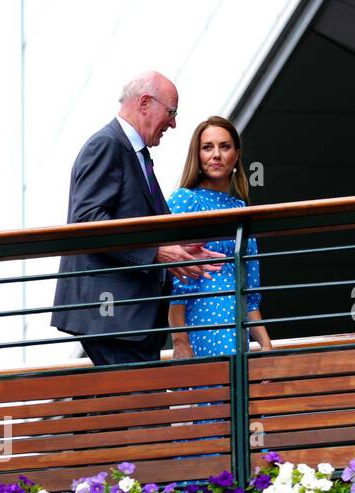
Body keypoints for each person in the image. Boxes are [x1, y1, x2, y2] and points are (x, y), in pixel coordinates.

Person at [50, 71, 222, 368]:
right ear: (145, 103)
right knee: (145, 407)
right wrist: (156, 252)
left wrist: (178, 247)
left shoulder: (134, 152)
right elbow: (87, 221)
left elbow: (134, 222)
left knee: (135, 408)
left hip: (129, 321)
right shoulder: (108, 144)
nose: (173, 123)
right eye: (171, 112)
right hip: (113, 318)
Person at [167, 117, 272, 358]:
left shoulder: (241, 209)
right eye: (207, 147)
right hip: (202, 321)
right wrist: (180, 341)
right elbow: (174, 284)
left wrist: (266, 344)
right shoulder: (185, 200)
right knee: (210, 393)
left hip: (236, 325)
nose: (216, 154)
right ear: (198, 155)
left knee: (234, 393)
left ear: (236, 155)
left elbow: (250, 292)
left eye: (224, 147)